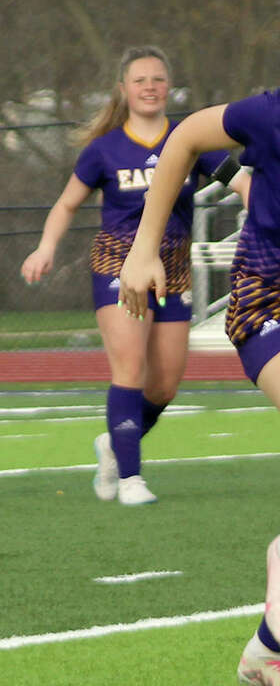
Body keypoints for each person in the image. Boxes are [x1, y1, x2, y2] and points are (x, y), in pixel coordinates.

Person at [21, 46, 247, 506]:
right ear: (123, 89)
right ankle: (130, 479)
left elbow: (241, 182)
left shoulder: (188, 139)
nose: (149, 87)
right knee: (130, 366)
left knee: (165, 383)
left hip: (173, 268)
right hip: (117, 264)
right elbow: (67, 203)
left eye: (158, 80)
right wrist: (45, 247)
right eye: (140, 80)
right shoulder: (103, 150)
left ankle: (114, 444)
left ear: (168, 87)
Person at [114, 93, 280, 686]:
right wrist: (141, 250)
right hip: (269, 304)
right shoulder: (270, 114)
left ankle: (268, 646)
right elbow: (183, 138)